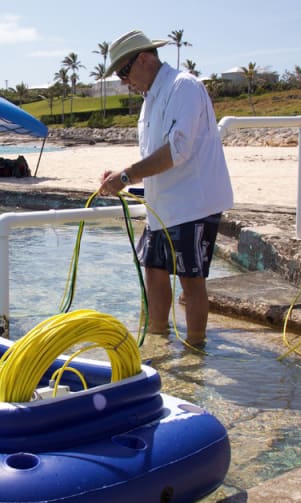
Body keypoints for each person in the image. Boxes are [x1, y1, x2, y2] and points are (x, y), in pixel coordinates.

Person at [98, 30, 234, 347]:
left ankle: (196, 349)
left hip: (193, 203)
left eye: (124, 71)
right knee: (154, 270)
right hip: (162, 206)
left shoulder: (183, 87)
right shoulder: (149, 101)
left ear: (145, 59)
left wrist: (126, 177)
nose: (123, 81)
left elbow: (177, 150)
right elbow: (154, 158)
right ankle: (158, 340)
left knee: (191, 281)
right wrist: (122, 175)